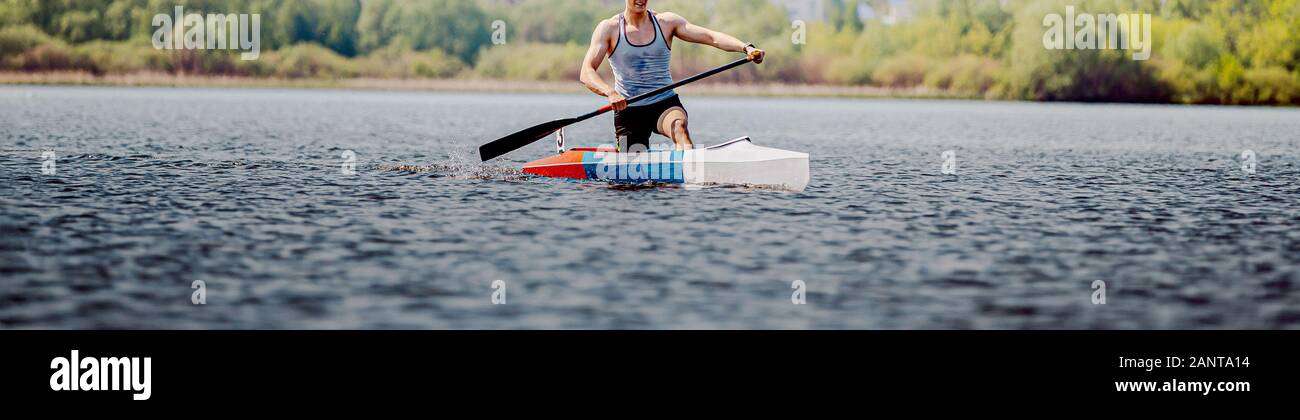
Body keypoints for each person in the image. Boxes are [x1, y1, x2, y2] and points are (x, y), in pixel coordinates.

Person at [580, 0, 765, 152]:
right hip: (629, 108)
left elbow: (710, 37)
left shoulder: (666, 23)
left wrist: (746, 47)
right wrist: (610, 93)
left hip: (664, 103)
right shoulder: (609, 28)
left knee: (679, 127)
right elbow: (586, 72)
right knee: (630, 182)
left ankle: (689, 174)